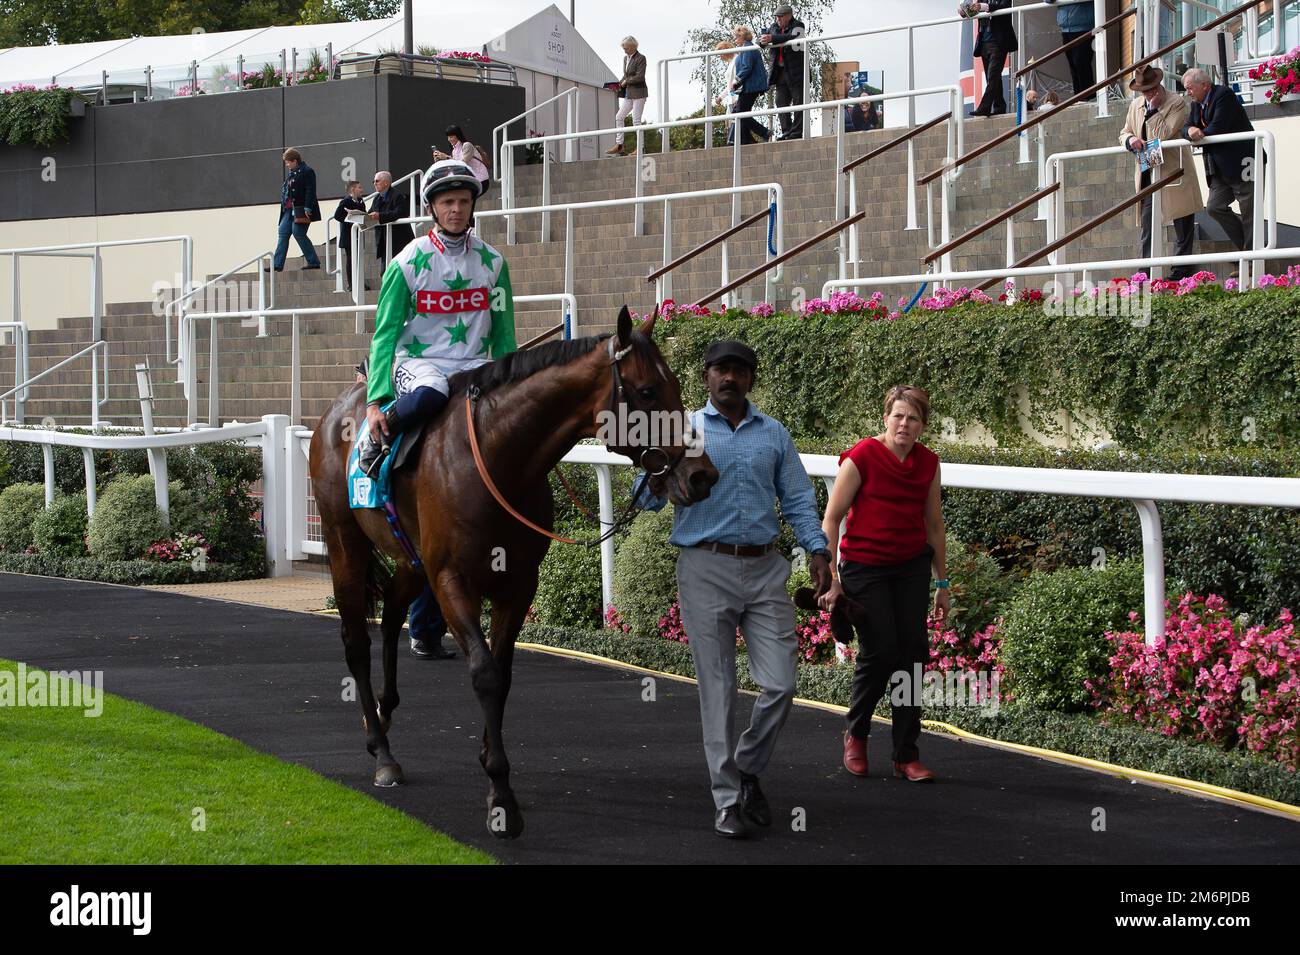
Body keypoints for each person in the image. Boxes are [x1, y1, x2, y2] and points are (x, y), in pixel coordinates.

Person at [634, 340, 832, 839]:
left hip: (765, 569)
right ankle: (726, 800)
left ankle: (745, 767)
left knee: (781, 683)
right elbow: (648, 503)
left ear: (751, 380)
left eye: (739, 371)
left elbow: (799, 498)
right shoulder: (684, 430)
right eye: (721, 369)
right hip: (705, 566)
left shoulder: (775, 435)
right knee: (718, 690)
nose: (729, 378)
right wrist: (654, 477)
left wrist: (817, 550)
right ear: (705, 378)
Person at [819, 386, 948, 784]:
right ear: (885, 418)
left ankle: (905, 755)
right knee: (880, 651)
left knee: (912, 656)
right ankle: (856, 733)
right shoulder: (862, 457)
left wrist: (941, 581)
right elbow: (830, 520)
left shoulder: (928, 463)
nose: (904, 424)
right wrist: (833, 580)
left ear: (923, 425)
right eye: (898, 416)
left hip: (910, 567)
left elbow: (934, 525)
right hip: (864, 567)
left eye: (913, 418)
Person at [355, 159, 516, 480]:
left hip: (472, 365)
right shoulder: (407, 262)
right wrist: (375, 401)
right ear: (432, 207)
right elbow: (385, 334)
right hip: (418, 365)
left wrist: (511, 382)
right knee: (434, 390)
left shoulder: (494, 263)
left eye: (463, 202)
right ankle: (378, 438)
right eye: (447, 202)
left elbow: (504, 334)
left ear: (472, 206)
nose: (456, 209)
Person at [352, 363, 453, 658]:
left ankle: (429, 630)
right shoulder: (394, 343)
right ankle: (377, 441)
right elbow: (372, 363)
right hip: (421, 375)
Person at [1121, 65, 1202, 279]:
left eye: (1150, 89)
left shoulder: (1176, 102)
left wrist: (1154, 110)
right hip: (1148, 167)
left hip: (1173, 169)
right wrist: (1130, 141)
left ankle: (1181, 269)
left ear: (1158, 86)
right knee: (1148, 222)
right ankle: (1144, 271)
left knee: (1182, 219)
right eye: (1143, 91)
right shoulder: (1136, 104)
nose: (1147, 94)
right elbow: (1125, 131)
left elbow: (1163, 135)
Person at [1182, 67, 1257, 251]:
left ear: (1205, 85)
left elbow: (1218, 126)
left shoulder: (1224, 94)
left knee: (1249, 212)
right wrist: (1191, 131)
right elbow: (1185, 128)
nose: (1188, 93)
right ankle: (1248, 250)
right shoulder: (1196, 104)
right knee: (1214, 207)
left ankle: (1252, 259)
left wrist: (1198, 135)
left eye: (1190, 88)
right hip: (1219, 168)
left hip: (1242, 161)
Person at [759, 4, 807, 140]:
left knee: (799, 103)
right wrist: (762, 41)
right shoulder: (774, 27)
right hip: (780, 72)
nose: (777, 19)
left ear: (788, 15)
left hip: (796, 72)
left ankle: (797, 133)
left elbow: (791, 37)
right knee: (780, 101)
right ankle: (787, 132)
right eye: (776, 16)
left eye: (780, 16)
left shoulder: (799, 25)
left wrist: (772, 39)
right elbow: (763, 40)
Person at [270, 148, 321, 272]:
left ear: (295, 161)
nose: (287, 165)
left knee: (298, 233)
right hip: (288, 210)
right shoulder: (292, 173)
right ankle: (277, 264)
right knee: (283, 232)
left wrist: (308, 208)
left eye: (288, 162)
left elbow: (310, 190)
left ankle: (313, 262)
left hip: (301, 209)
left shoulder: (307, 171)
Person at [966, 0, 1018, 117]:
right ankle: (999, 107)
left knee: (993, 76)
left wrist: (984, 6)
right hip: (984, 42)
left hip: (998, 42)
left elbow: (1005, 6)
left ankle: (984, 107)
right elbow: (974, 11)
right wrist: (965, 12)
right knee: (993, 78)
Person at [729, 26, 772, 145]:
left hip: (751, 87)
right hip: (748, 86)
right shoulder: (745, 48)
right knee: (741, 113)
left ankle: (764, 132)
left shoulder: (748, 48)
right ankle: (748, 139)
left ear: (742, 37)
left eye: (736, 37)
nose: (735, 40)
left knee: (739, 113)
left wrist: (736, 81)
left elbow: (747, 67)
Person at [606, 37, 648, 156]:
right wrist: (618, 84)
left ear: (633, 46)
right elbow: (626, 75)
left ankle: (640, 148)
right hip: (629, 93)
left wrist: (626, 82)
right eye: (623, 48)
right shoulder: (626, 58)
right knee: (619, 117)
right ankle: (619, 145)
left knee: (636, 121)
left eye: (626, 48)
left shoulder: (641, 58)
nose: (624, 50)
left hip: (639, 93)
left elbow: (640, 76)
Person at [1045, 0, 1095, 95]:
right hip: (1066, 28)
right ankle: (1078, 98)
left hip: (1084, 27)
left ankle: (1088, 97)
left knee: (1081, 63)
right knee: (1073, 65)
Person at [367, 171, 417, 266]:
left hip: (398, 240)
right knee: (385, 272)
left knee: (400, 269)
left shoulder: (397, 195)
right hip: (383, 241)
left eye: (377, 181)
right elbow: (370, 213)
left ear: (386, 182)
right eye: (373, 181)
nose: (374, 184)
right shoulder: (376, 198)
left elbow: (400, 213)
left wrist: (380, 216)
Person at [433, 125, 491, 199]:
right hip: (470, 181)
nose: (449, 139)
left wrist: (447, 157)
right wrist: (439, 159)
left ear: (458, 136)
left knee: (464, 199)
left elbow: (462, 164)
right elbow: (454, 166)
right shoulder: (454, 150)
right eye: (448, 137)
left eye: (451, 137)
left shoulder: (467, 145)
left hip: (481, 180)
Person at [332, 180, 368, 293]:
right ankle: (351, 284)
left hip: (358, 233)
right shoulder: (345, 201)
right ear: (353, 189)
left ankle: (359, 282)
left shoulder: (361, 201)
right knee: (351, 259)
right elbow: (337, 215)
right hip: (348, 235)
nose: (361, 189)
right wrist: (350, 219)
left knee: (358, 258)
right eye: (359, 187)